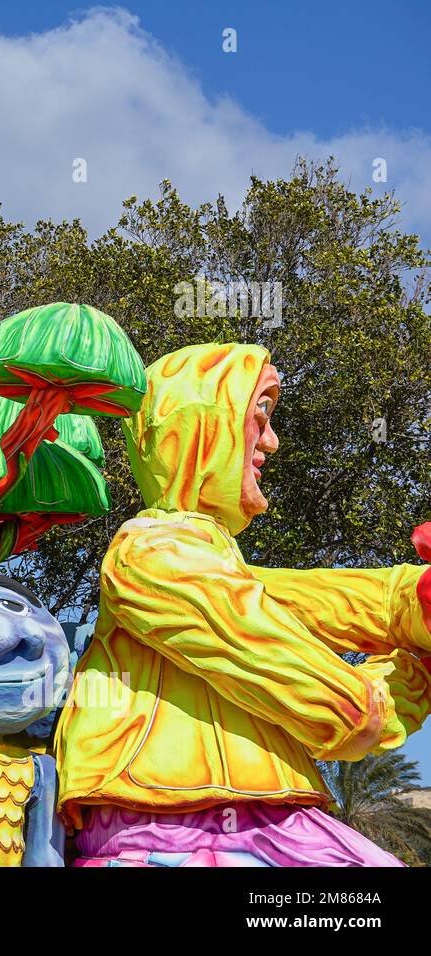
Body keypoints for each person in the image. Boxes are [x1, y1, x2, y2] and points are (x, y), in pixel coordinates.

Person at [55, 342, 431, 866]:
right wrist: (384, 700)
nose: (271, 443)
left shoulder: (208, 560)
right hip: (168, 828)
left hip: (264, 822)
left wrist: (414, 603)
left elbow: (308, 600)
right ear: (203, 428)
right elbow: (263, 645)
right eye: (259, 416)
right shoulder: (149, 552)